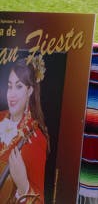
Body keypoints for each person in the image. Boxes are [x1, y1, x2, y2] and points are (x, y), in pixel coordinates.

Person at [0, 59, 48, 203]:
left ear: (30, 91)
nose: (11, 95)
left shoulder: (36, 138)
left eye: (19, 86)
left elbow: (38, 201)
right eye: (10, 86)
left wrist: (23, 186)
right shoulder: (0, 117)